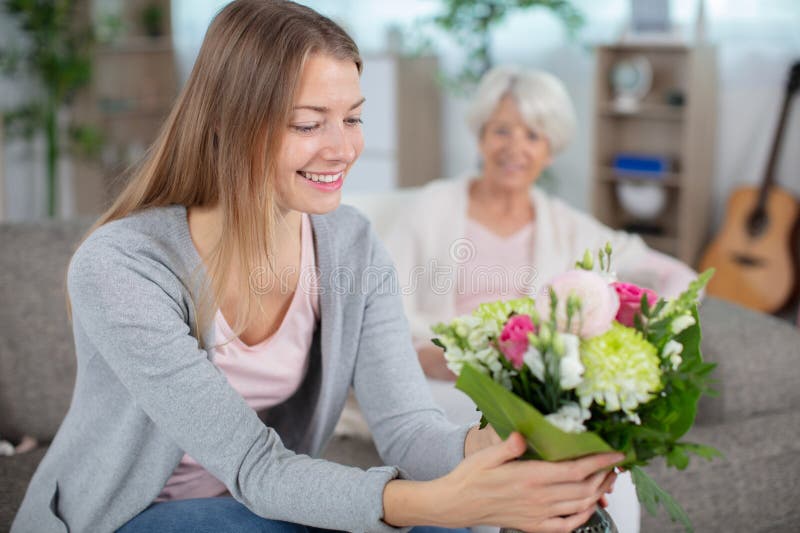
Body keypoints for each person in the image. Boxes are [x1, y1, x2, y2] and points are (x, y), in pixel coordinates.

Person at [11, 3, 623, 532]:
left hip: (269, 503)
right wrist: (433, 503)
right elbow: (255, 466)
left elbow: (410, 429)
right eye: (308, 123)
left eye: (352, 118)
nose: (342, 148)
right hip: (134, 516)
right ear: (232, 126)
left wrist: (500, 446)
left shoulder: (350, 245)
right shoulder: (123, 266)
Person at [384, 66, 698, 533]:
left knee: (605, 456)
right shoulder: (430, 209)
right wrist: (430, 356)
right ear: (480, 136)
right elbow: (376, 311)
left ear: (550, 150)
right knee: (512, 446)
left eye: (533, 135)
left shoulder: (566, 225)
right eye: (502, 130)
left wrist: (637, 328)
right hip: (446, 382)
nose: (515, 147)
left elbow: (675, 276)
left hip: (534, 385)